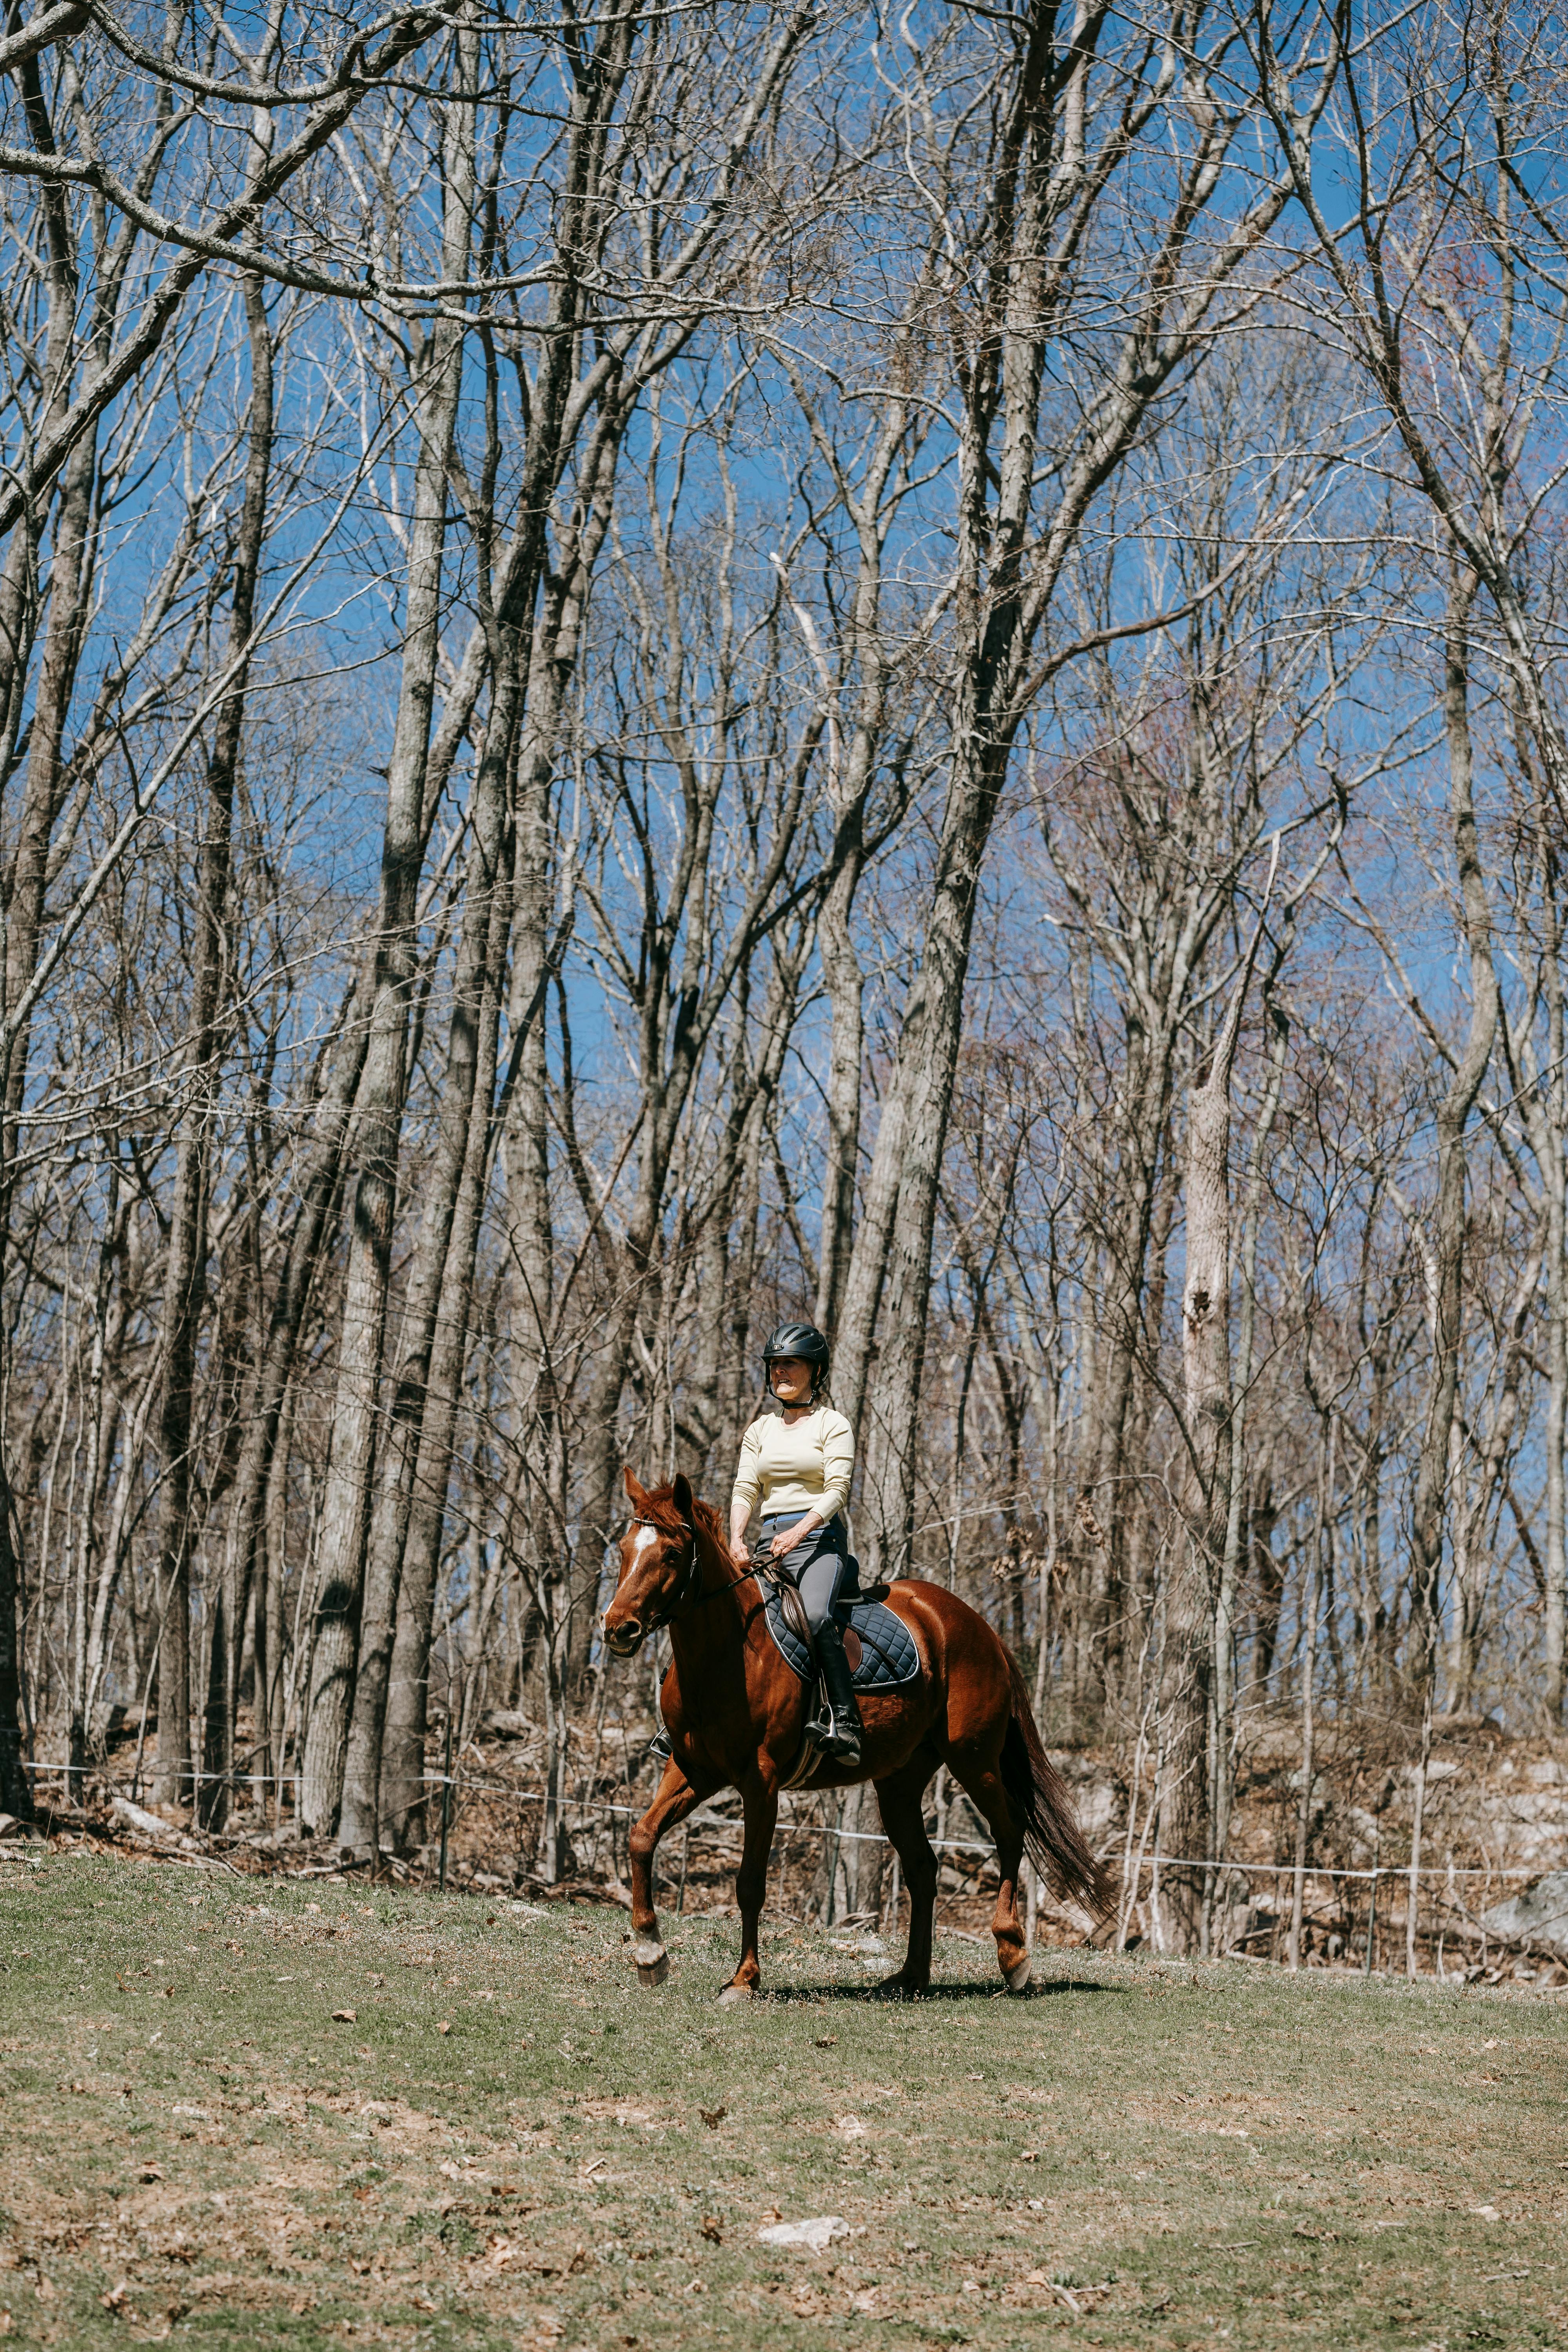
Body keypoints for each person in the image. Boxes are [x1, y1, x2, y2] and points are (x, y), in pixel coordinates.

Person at [728, 1322, 862, 1767]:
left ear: (815, 1370)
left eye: (790, 1363)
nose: (780, 1371)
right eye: (775, 1364)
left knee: (818, 1614)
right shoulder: (760, 1429)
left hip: (819, 1540)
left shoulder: (832, 1424)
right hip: (768, 1542)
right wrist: (735, 1538)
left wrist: (799, 1531)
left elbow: (837, 1489)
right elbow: (746, 1487)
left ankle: (845, 1722)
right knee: (717, 1612)